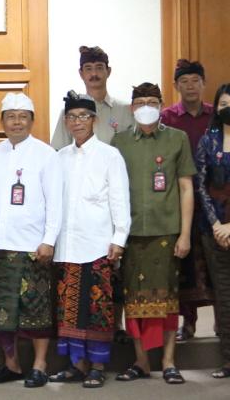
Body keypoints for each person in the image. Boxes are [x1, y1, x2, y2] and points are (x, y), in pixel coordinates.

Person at [111, 82, 194, 385]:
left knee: (168, 300)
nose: (146, 106)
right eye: (140, 101)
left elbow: (186, 187)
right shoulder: (119, 142)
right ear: (132, 107)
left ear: (160, 105)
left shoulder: (177, 139)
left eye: (152, 101)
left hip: (166, 232)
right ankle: (141, 361)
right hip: (130, 234)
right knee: (133, 302)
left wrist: (185, 234)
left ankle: (169, 362)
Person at [0, 92, 62, 388]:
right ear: (2, 121)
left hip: (32, 246)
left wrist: (49, 239)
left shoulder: (46, 154)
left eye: (22, 116)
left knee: (36, 309)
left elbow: (55, 202)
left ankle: (40, 364)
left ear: (32, 121)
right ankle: (11, 365)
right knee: (2, 310)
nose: (17, 122)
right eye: (11, 116)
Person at [49, 91, 131, 388]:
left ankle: (96, 366)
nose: (77, 122)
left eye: (83, 116)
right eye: (71, 117)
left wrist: (119, 238)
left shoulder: (110, 155)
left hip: (98, 244)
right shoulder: (59, 158)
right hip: (67, 246)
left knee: (98, 309)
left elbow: (121, 200)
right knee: (68, 307)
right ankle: (75, 365)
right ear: (66, 122)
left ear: (94, 120)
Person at [161, 59, 215, 342]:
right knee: (184, 264)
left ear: (204, 84)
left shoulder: (216, 115)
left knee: (213, 262)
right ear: (176, 86)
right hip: (179, 200)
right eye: (184, 81)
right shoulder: (167, 117)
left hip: (213, 201)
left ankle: (221, 322)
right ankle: (189, 323)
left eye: (195, 80)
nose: (190, 86)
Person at [194, 83, 230, 378]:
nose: (226, 108)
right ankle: (229, 358)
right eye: (223, 104)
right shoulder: (209, 140)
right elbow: (201, 187)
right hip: (214, 230)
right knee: (224, 296)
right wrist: (218, 225)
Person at [51, 46, 134, 149]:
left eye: (99, 68)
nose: (94, 73)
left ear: (108, 71)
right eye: (88, 68)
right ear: (81, 74)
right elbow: (58, 152)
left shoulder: (125, 110)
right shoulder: (70, 113)